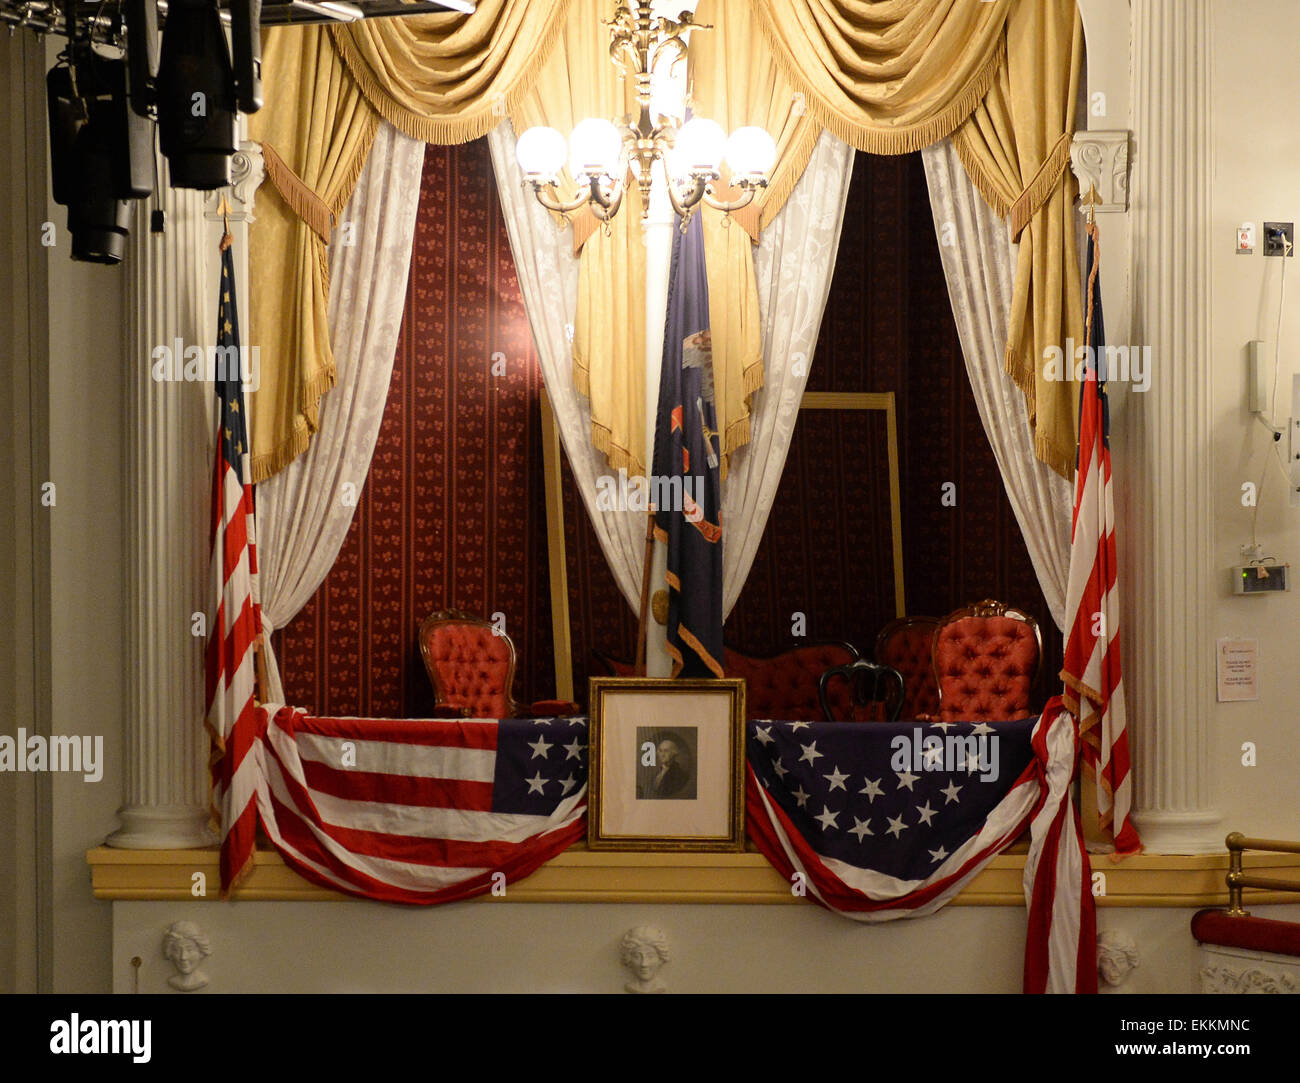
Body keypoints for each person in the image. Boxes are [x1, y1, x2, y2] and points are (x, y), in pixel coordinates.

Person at [163, 921, 211, 991]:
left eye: (190, 950)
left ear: (201, 952)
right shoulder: (173, 981)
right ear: (170, 953)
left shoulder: (202, 980)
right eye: (177, 950)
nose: (183, 957)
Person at [620, 925, 669, 994]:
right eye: (637, 957)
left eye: (650, 956)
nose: (644, 964)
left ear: (660, 959)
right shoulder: (630, 986)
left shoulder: (660, 986)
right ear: (629, 960)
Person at [641, 735, 692, 799]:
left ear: (674, 753)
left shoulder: (680, 774)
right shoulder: (658, 773)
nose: (662, 754)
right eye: (660, 751)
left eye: (666, 751)